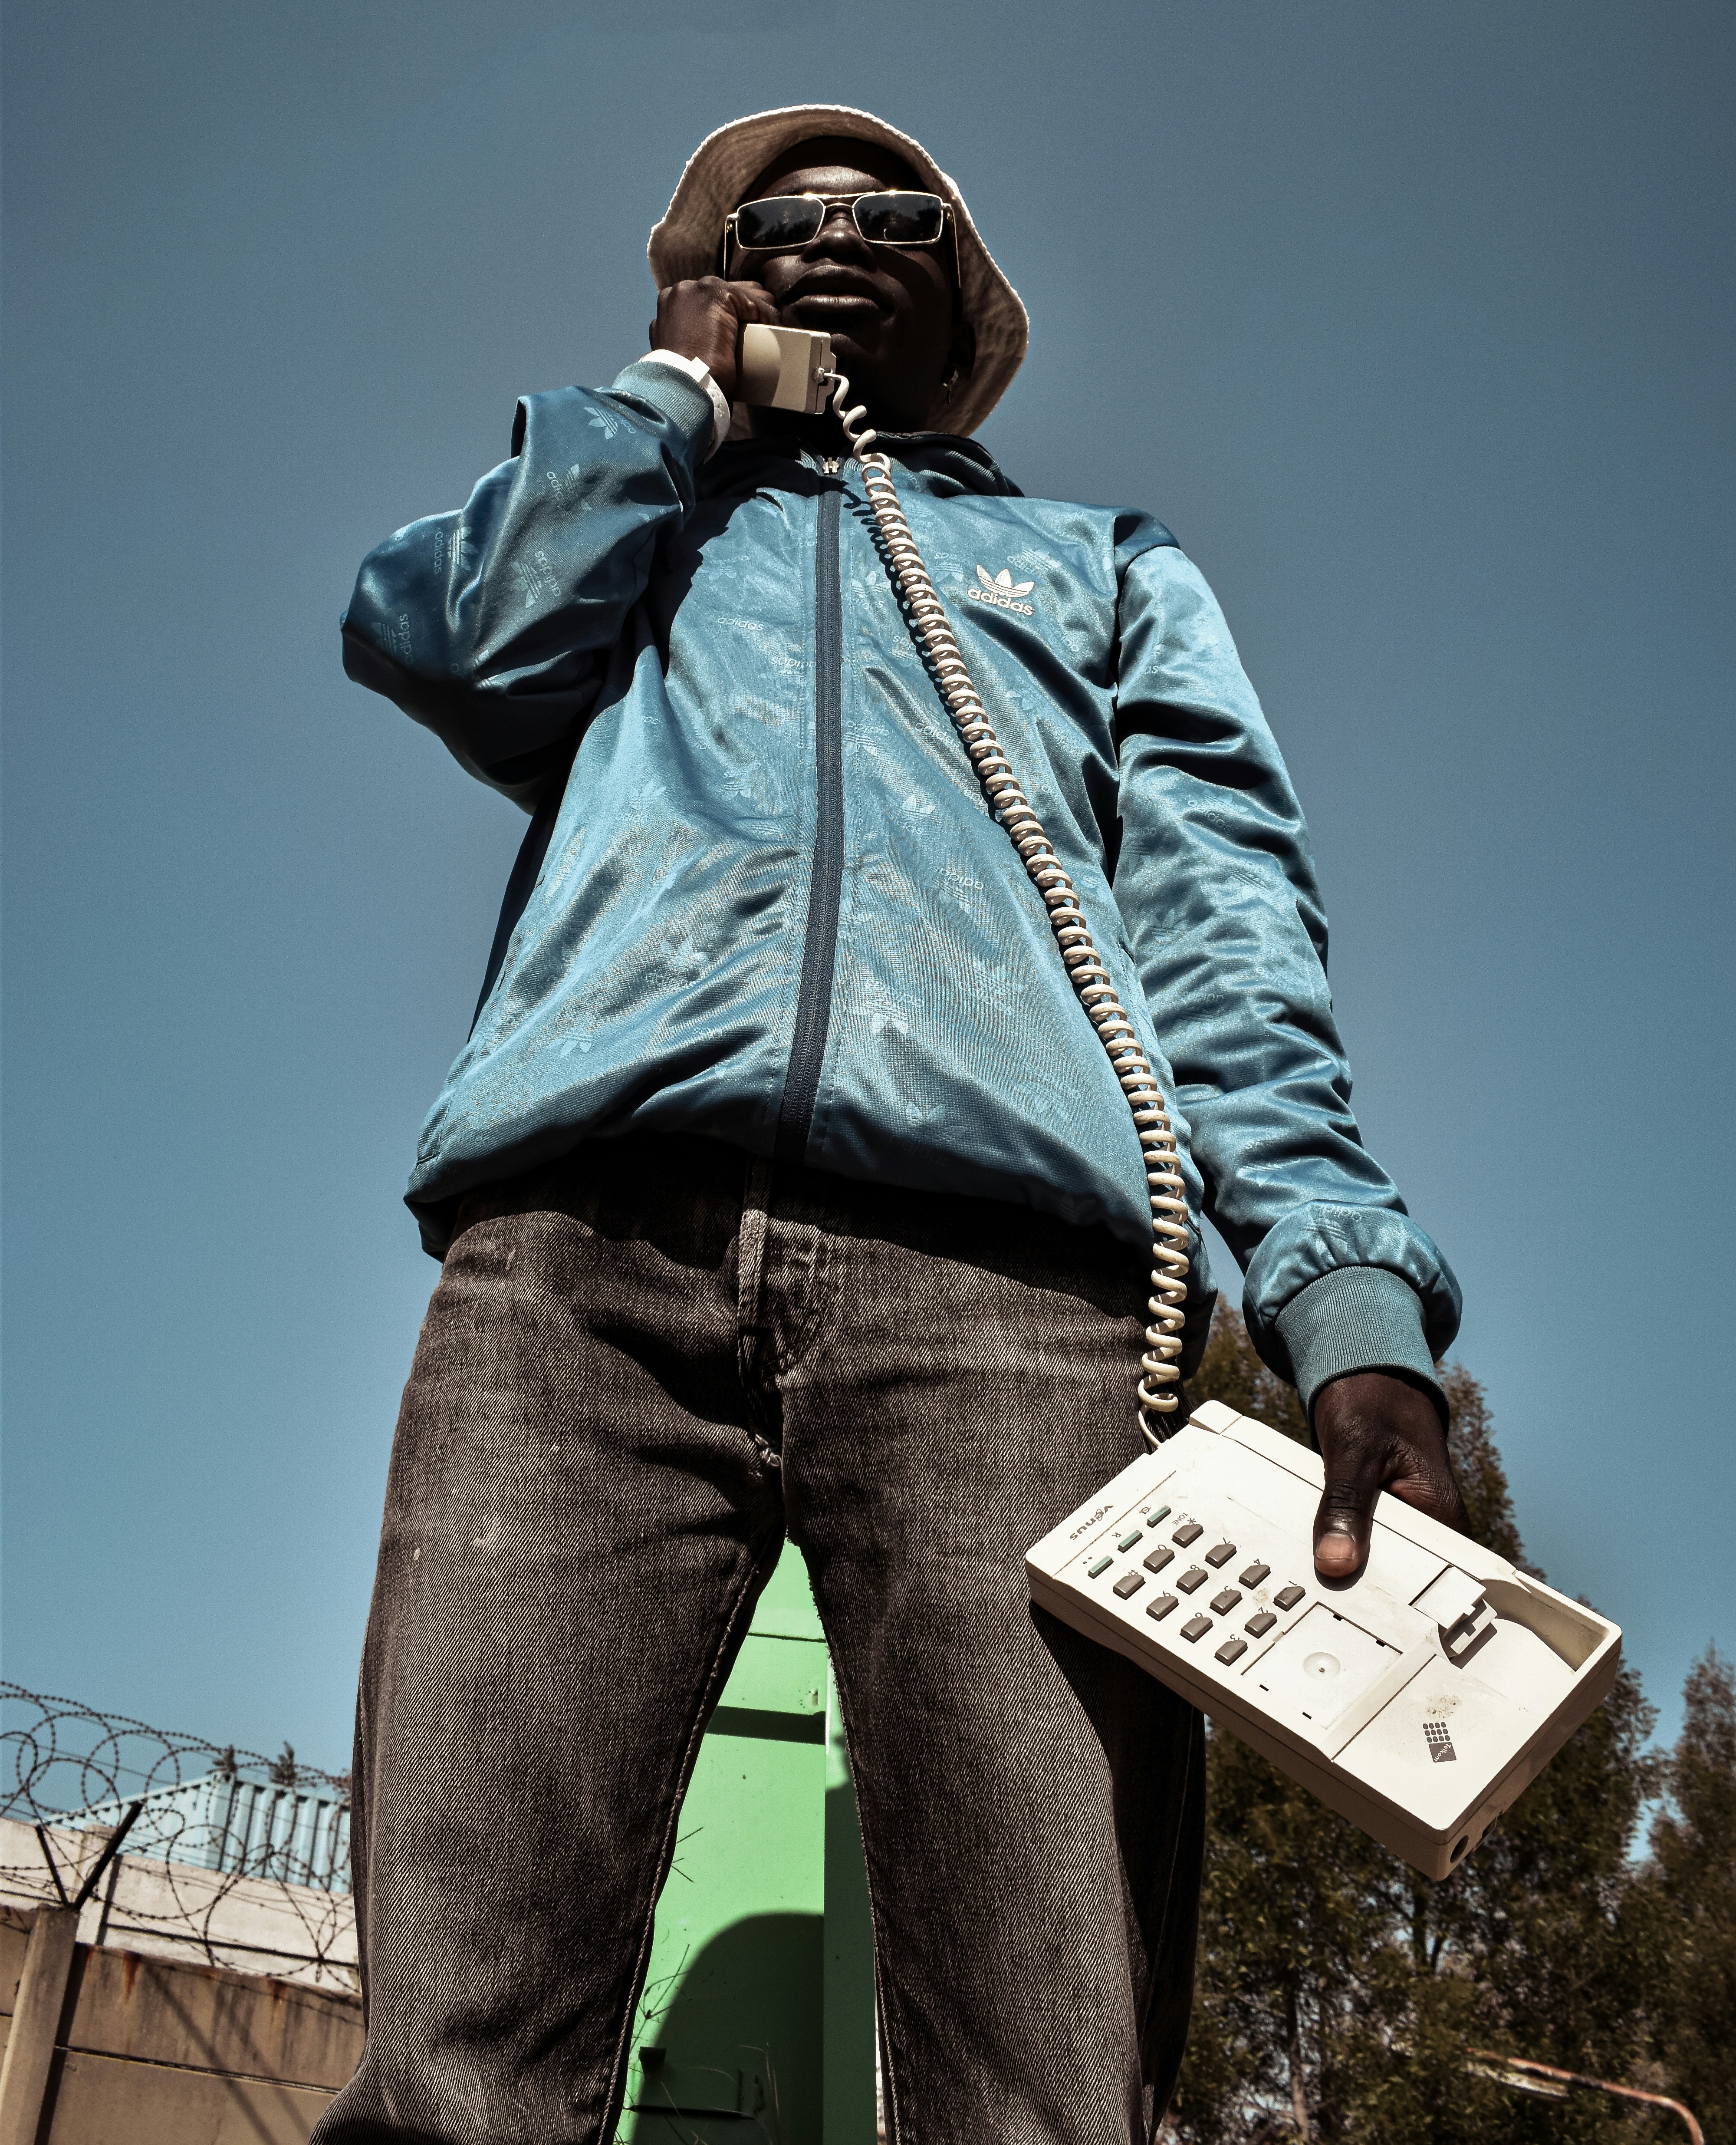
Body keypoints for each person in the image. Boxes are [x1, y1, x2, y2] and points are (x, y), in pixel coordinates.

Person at [314, 104, 1470, 2145]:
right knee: (454, 2062)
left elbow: (1225, 928)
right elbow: (446, 637)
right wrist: (667, 398)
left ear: (962, 298)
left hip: (1007, 1303)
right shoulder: (633, 512)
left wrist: (1347, 1301)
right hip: (577, 1269)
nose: (835, 235)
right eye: (781, 219)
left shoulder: (1103, 565)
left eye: (891, 215)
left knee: (1044, 2067)